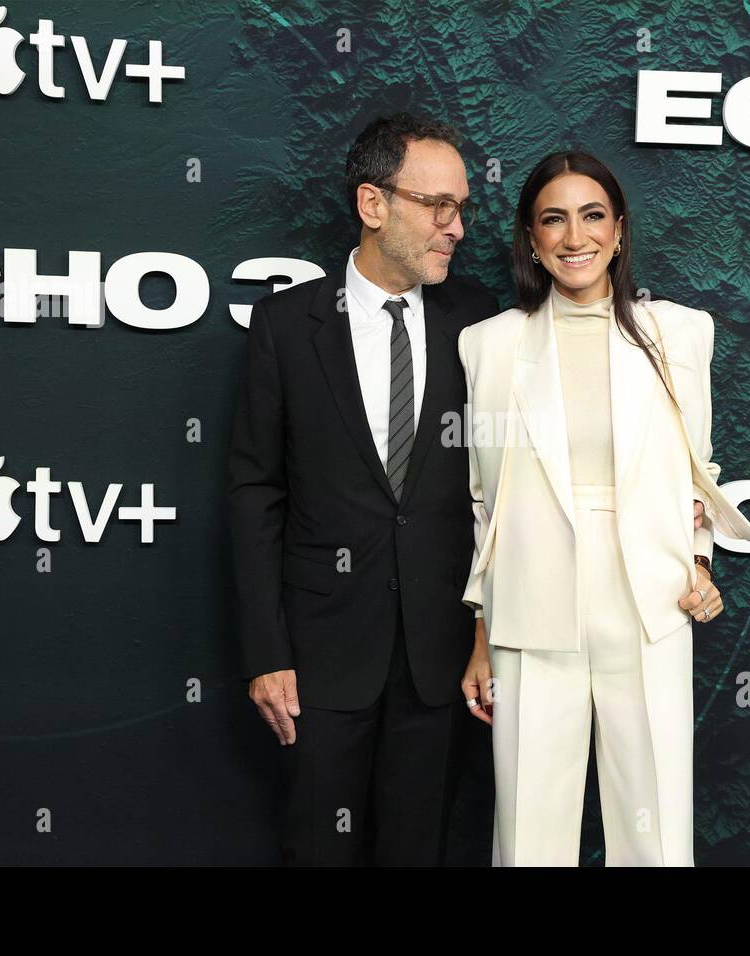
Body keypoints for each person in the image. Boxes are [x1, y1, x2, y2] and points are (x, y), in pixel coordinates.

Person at [458, 150, 750, 866]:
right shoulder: (489, 346)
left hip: (650, 602)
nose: (574, 238)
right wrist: (479, 627)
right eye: (553, 220)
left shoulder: (679, 334)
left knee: (653, 833)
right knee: (529, 833)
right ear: (530, 239)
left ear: (619, 231)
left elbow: (699, 468)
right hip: (529, 609)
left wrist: (697, 562)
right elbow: (483, 498)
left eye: (592, 216)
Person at [227, 112, 499, 865]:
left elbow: (505, 492)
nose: (456, 228)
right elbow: (255, 494)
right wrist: (265, 653)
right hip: (317, 661)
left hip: (439, 657)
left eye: (463, 208)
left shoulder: (481, 323)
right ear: (373, 205)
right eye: (436, 206)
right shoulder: (286, 325)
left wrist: (486, 636)